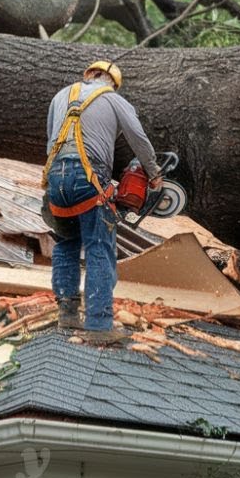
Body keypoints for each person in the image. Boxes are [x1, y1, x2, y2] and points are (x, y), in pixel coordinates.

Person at [43, 60, 162, 342]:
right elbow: (138, 138)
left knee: (66, 243)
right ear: (111, 82)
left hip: (56, 178)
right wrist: (154, 173)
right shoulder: (114, 99)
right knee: (99, 247)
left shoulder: (61, 95)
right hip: (90, 178)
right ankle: (98, 325)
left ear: (89, 75)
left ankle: (67, 315)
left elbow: (51, 140)